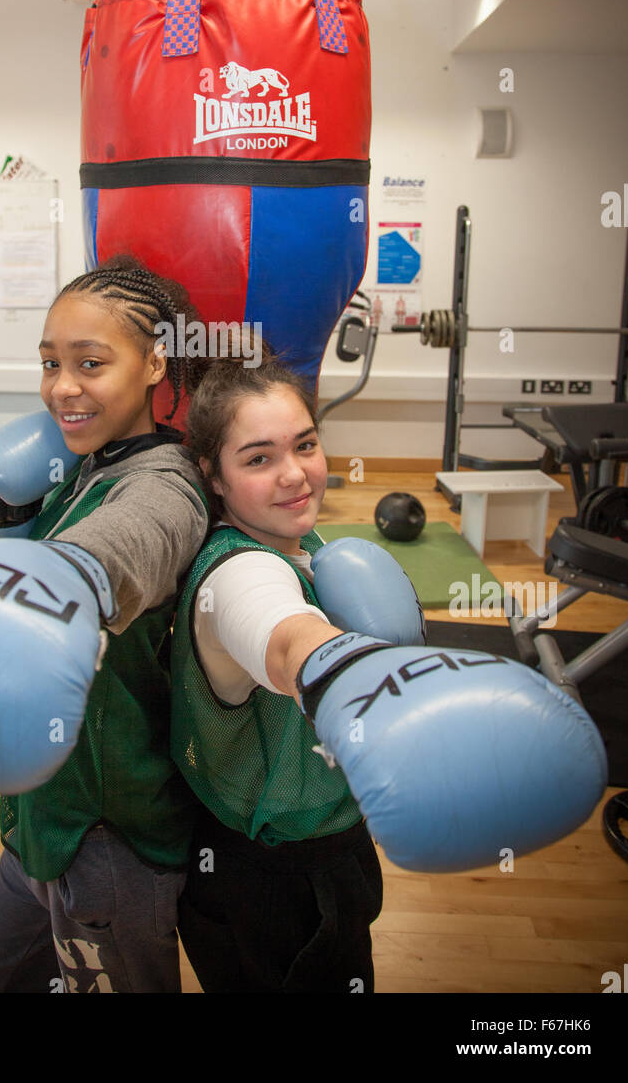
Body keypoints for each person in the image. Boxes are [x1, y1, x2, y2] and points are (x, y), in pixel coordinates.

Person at [0, 255, 211, 994]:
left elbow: (128, 543)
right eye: (49, 363)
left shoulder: (163, 485)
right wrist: (0, 527)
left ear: (157, 361)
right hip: (46, 810)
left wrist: (58, 584)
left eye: (90, 363)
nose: (62, 386)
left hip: (108, 833)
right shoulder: (89, 465)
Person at [170, 354, 386, 994]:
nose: (296, 475)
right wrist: (381, 687)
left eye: (307, 445)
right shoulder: (240, 573)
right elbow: (287, 639)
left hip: (320, 845)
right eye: (258, 459)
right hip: (269, 877)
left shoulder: (297, 543)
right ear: (213, 476)